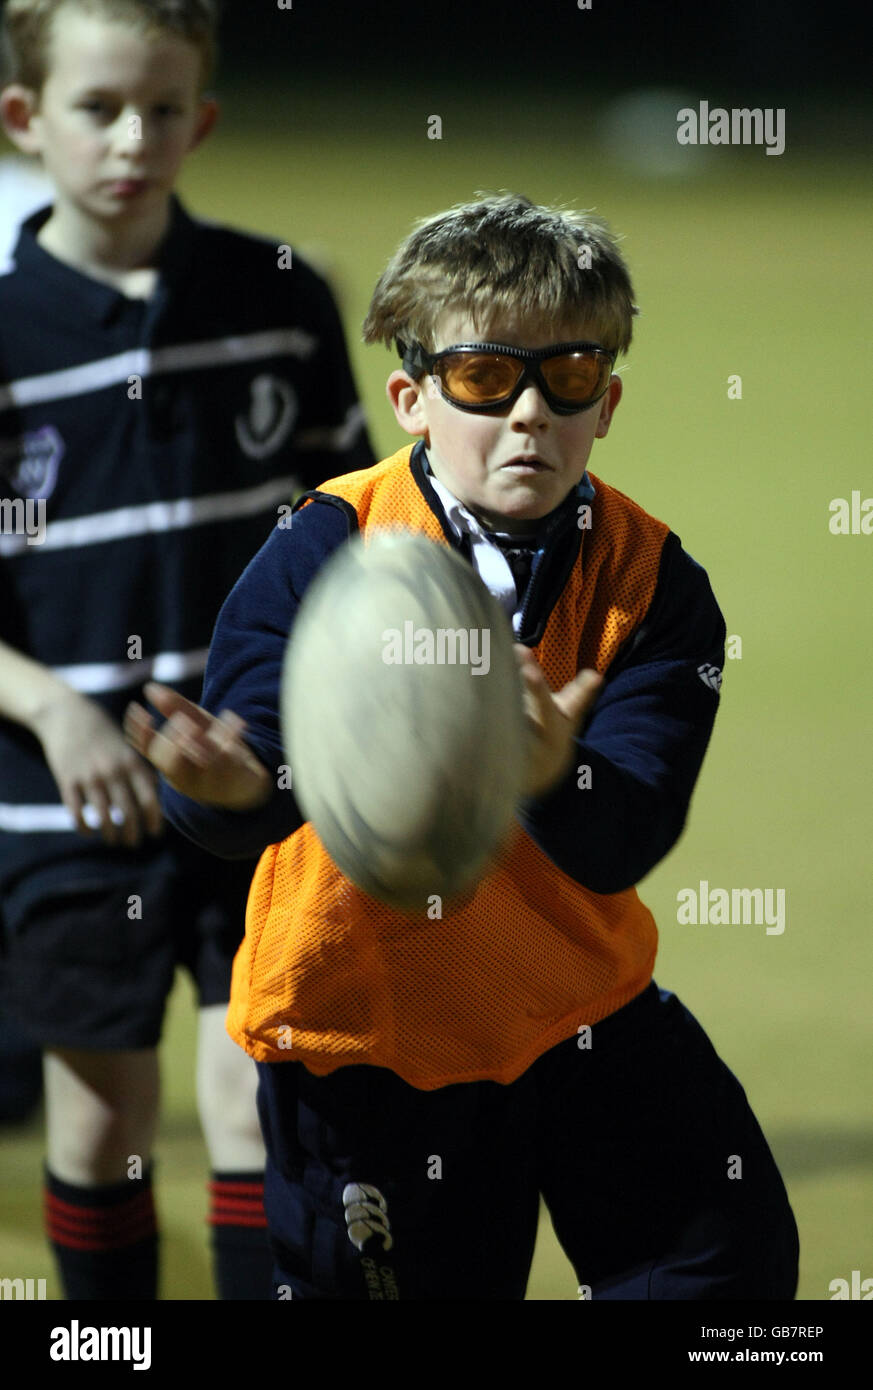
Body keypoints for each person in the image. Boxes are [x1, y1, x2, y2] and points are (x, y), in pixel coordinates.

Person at [125, 192, 799, 1300]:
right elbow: (257, 781)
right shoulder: (323, 548)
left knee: (727, 1269)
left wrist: (551, 773)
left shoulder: (653, 584)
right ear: (413, 398)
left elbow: (630, 828)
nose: (530, 412)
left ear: (608, 401)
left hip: (576, 1014)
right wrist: (228, 788)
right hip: (362, 1040)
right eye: (488, 378)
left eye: (568, 376)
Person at [0, 0, 373, 1300]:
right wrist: (52, 708)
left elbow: (350, 532)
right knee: (101, 1125)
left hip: (255, 786)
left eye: (164, 109)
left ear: (201, 119)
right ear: (23, 120)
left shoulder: (277, 297)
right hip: (68, 806)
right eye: (98, 107)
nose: (132, 138)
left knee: (248, 1103)